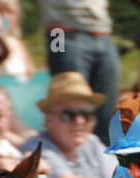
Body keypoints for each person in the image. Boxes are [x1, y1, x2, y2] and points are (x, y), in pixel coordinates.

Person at [22, 72, 116, 178]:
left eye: (87, 114)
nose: (80, 121)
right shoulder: (36, 147)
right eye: (69, 114)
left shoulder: (92, 142)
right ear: (48, 119)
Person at [41, 0, 119, 134]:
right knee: (68, 104)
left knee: (107, 114)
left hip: (103, 33)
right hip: (59, 31)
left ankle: (101, 153)